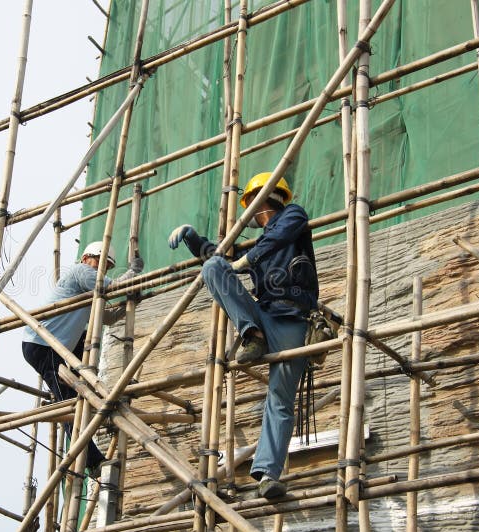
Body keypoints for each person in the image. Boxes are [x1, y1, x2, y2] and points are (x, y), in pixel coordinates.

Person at [167, 172, 318, 498]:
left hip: (293, 318)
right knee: (213, 269)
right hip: (263, 316)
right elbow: (226, 262)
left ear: (260, 199)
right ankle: (251, 334)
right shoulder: (260, 244)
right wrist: (195, 240)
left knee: (280, 400)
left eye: (248, 202)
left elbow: (275, 240)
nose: (246, 210)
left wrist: (246, 260)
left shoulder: (293, 215)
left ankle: (266, 475)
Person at [22, 240, 144, 474]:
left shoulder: (87, 290)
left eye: (107, 267)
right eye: (102, 264)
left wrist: (130, 304)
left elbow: (107, 318)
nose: (104, 269)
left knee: (85, 342)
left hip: (59, 345)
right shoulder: (81, 272)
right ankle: (93, 460)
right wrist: (133, 273)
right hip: (42, 344)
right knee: (69, 402)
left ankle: (87, 384)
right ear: (87, 258)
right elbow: (108, 288)